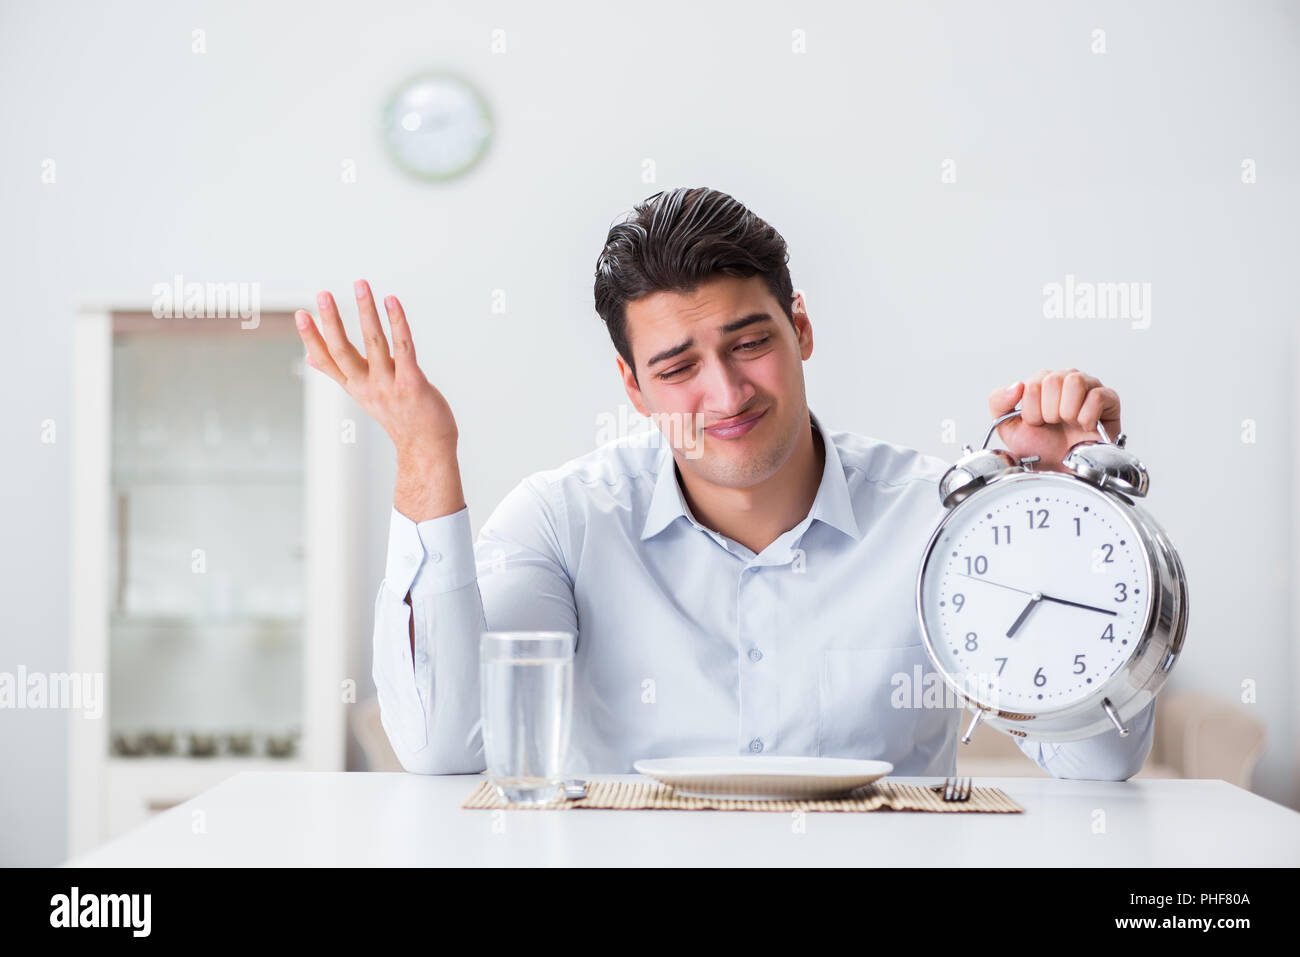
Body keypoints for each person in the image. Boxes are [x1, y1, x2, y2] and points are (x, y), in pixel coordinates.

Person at [293, 185, 1154, 779]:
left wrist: (1064, 511)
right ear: (631, 386)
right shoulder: (562, 524)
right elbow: (446, 746)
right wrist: (423, 456)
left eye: (750, 343)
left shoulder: (941, 519)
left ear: (801, 326)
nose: (728, 393)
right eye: (677, 366)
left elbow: (1099, 762)